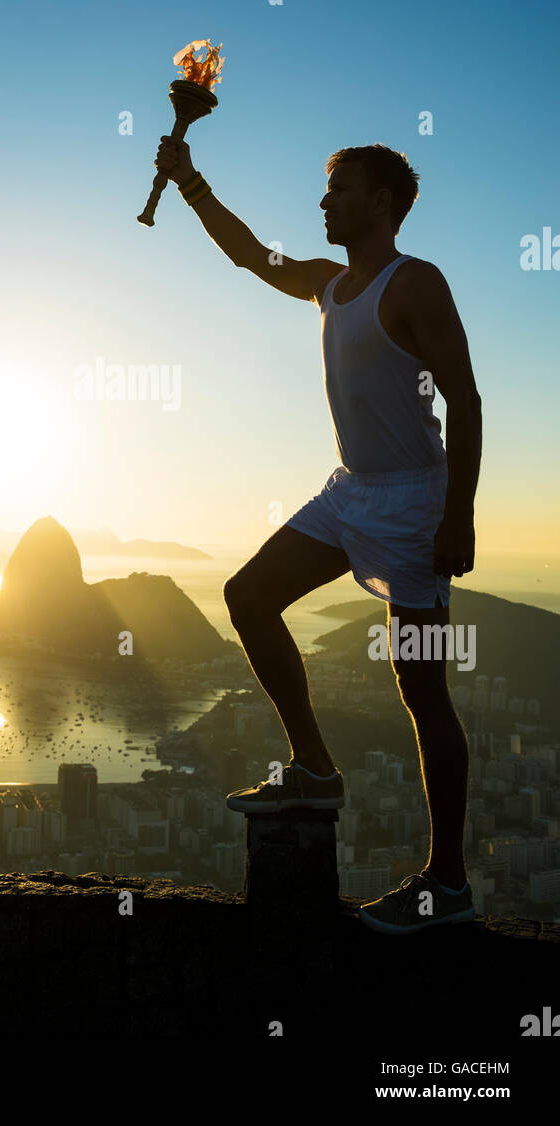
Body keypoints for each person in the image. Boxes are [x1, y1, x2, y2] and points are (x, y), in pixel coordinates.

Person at [154, 135, 482, 934]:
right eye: (324, 190)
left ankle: (447, 885)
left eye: (338, 190)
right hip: (349, 497)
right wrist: (188, 179)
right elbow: (250, 257)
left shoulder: (415, 282)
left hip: (413, 508)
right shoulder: (329, 286)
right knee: (248, 595)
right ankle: (313, 767)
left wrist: (457, 515)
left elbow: (465, 401)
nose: (323, 201)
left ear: (381, 202)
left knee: (421, 690)